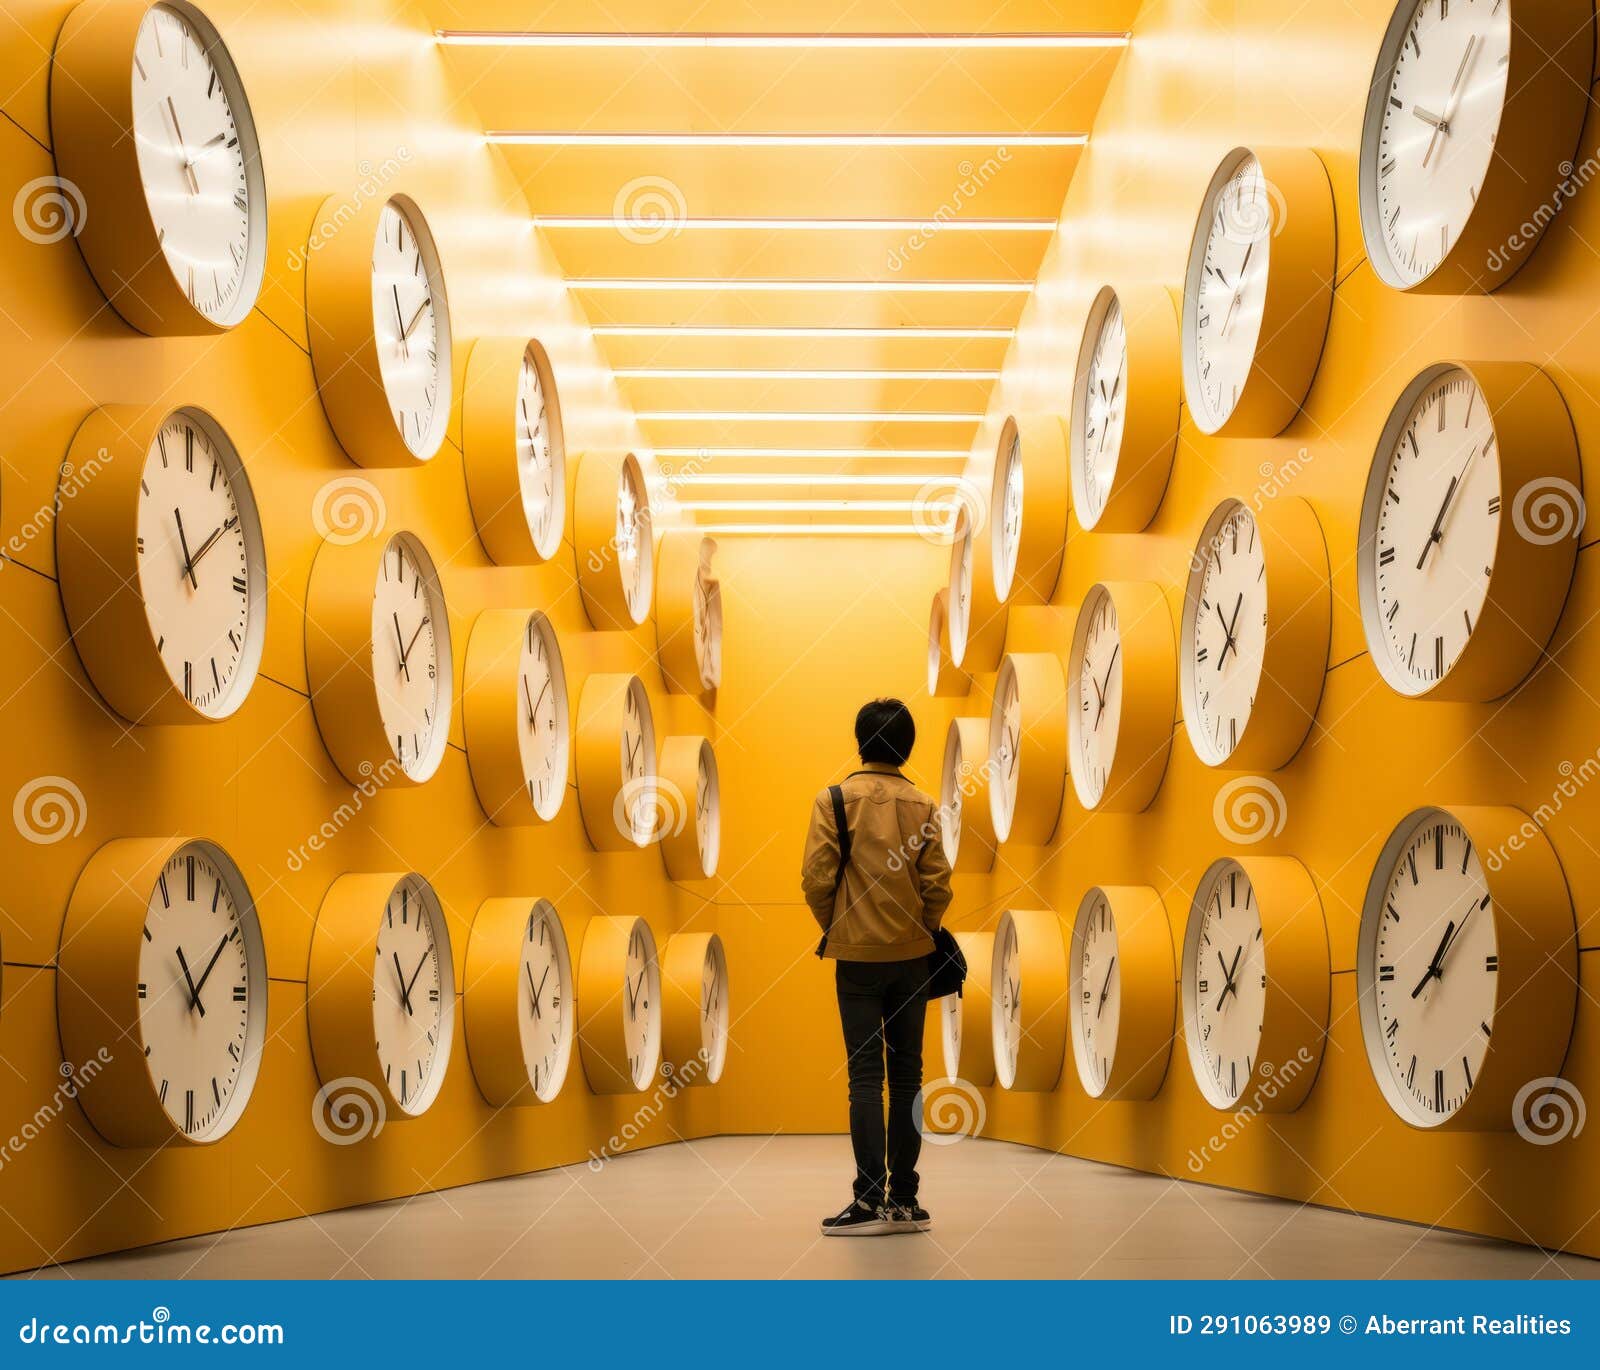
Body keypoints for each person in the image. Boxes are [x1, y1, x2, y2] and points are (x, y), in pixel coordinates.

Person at [800, 698, 953, 1236]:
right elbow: (938, 885)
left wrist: (840, 925)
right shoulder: (924, 804)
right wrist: (921, 929)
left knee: (865, 1081)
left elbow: (816, 880)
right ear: (906, 747)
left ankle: (866, 1203)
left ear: (860, 741)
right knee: (908, 1078)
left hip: (856, 960)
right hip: (913, 960)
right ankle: (906, 1202)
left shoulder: (834, 800)